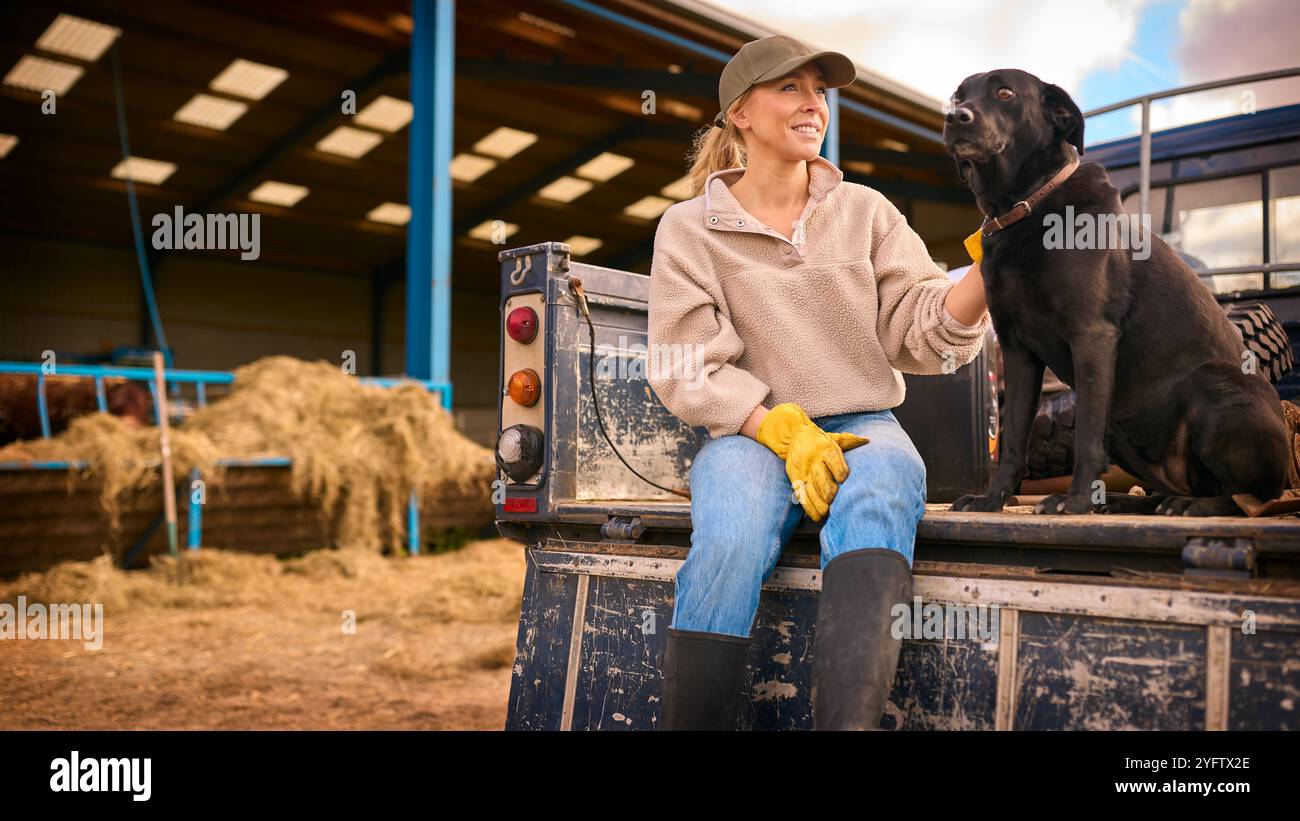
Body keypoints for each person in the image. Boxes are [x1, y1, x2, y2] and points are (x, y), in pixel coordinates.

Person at [646, 34, 991, 730]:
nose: (813, 104)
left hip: (866, 421)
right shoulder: (687, 230)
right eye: (790, 89)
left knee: (885, 488)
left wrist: (992, 267)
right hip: (751, 432)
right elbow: (684, 362)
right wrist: (778, 425)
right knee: (734, 532)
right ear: (740, 113)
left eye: (818, 91)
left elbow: (919, 327)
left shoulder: (866, 211)